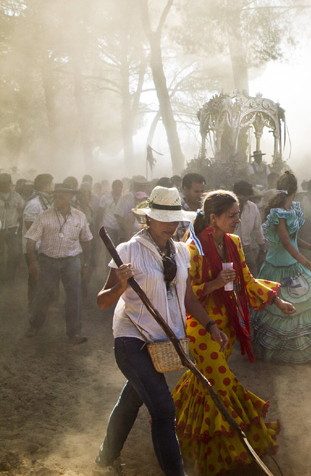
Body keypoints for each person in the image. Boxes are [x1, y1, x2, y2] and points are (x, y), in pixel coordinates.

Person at [93, 186, 228, 476]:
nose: (171, 225)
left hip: (165, 340)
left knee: (132, 399)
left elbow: (188, 297)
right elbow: (102, 302)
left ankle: (105, 458)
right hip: (132, 340)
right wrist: (121, 285)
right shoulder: (127, 250)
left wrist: (210, 325)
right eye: (163, 218)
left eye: (175, 218)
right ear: (149, 219)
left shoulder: (181, 252)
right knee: (164, 411)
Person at [172, 189, 297, 475]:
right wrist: (215, 284)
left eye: (238, 214)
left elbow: (247, 279)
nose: (237, 220)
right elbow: (185, 296)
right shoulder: (192, 249)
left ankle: (178, 430)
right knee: (222, 384)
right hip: (201, 327)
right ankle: (237, 445)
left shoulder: (235, 243)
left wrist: (277, 299)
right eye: (232, 215)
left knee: (204, 384)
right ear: (212, 218)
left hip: (227, 325)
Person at [251, 172, 311, 363]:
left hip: (291, 264)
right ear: (295, 190)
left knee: (298, 306)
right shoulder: (279, 212)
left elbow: (293, 239)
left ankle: (297, 349)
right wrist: (307, 263)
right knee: (285, 308)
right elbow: (286, 243)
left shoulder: (290, 208)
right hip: (279, 267)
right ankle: (283, 352)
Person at [25, 183, 93, 343]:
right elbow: (30, 241)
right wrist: (33, 262)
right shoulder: (44, 216)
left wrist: (85, 264)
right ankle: (35, 325)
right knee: (43, 294)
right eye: (55, 196)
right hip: (48, 260)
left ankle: (74, 332)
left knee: (74, 297)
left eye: (61, 197)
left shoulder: (80, 216)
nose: (56, 200)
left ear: (70, 198)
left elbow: (87, 241)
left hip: (72, 260)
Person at [233, 180, 266, 277]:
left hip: (247, 248)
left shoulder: (252, 207)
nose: (242, 201)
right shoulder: (227, 207)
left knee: (252, 275)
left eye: (245, 198)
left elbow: (258, 230)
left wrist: (262, 249)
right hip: (230, 248)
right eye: (240, 198)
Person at [0, 173, 25, 281]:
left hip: (12, 227)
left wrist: (17, 221)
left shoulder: (16, 196)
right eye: (1, 183)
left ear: (10, 183)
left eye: (5, 183)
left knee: (14, 252)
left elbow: (20, 209)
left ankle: (10, 277)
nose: (3, 185)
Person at [97, 179, 124, 246]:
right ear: (113, 188)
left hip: (120, 227)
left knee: (119, 247)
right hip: (108, 226)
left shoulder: (124, 198)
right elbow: (100, 212)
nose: (118, 189)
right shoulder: (105, 197)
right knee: (110, 248)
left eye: (119, 187)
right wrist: (99, 226)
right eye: (116, 187)